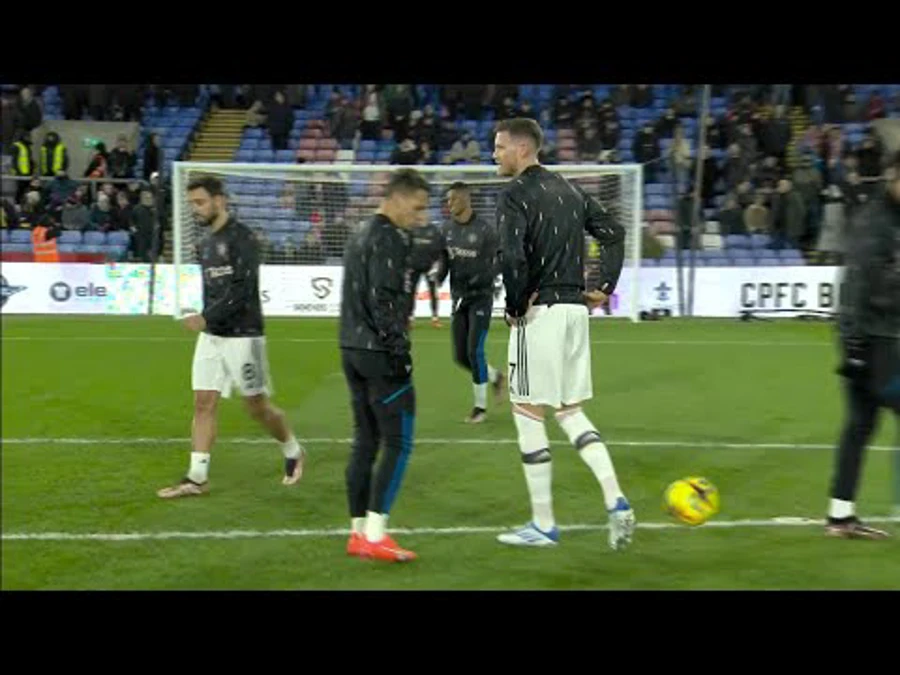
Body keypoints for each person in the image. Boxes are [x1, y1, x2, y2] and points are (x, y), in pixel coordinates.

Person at [491, 117, 635, 550]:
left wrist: (515, 307)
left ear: (521, 149)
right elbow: (614, 233)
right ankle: (618, 501)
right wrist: (604, 288)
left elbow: (511, 256)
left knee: (527, 411)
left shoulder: (514, 195)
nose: (494, 154)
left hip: (542, 314)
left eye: (499, 147)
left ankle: (543, 524)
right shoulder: (572, 191)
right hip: (575, 311)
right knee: (570, 411)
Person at [157, 175, 306, 499]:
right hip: (212, 335)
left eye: (200, 202)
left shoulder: (243, 238)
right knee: (203, 401)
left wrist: (205, 316)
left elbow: (242, 291)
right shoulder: (204, 243)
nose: (195, 209)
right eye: (192, 203)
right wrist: (206, 318)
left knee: (256, 407)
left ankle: (293, 450)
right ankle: (197, 478)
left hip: (244, 335)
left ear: (219, 200)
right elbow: (214, 290)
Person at [339, 168, 430, 562]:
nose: (421, 216)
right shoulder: (391, 237)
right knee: (398, 440)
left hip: (350, 348)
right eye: (417, 207)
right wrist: (400, 354)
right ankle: (377, 533)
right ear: (395, 198)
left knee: (365, 440)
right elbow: (384, 302)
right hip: (380, 354)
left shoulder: (359, 232)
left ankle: (358, 532)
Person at [825, 149, 900, 537]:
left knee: (859, 426)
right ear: (893, 178)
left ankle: (840, 516)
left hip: (875, 341)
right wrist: (854, 346)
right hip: (876, 344)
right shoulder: (876, 226)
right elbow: (855, 285)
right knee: (861, 424)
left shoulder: (888, 221)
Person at [429, 182, 506, 423]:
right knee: (461, 357)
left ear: (465, 199)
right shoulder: (445, 230)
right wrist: (438, 276)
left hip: (481, 298)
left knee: (475, 350)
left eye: (452, 199)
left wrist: (485, 276)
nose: (448, 204)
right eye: (447, 200)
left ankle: (479, 409)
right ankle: (496, 377)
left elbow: (501, 260)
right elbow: (444, 261)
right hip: (458, 299)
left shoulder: (485, 230)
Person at [407, 219, 443, 328]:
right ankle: (410, 318)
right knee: (411, 292)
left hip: (429, 267)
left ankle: (435, 318)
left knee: (433, 292)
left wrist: (436, 264)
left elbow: (439, 248)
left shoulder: (433, 230)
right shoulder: (412, 229)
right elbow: (407, 247)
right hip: (414, 266)